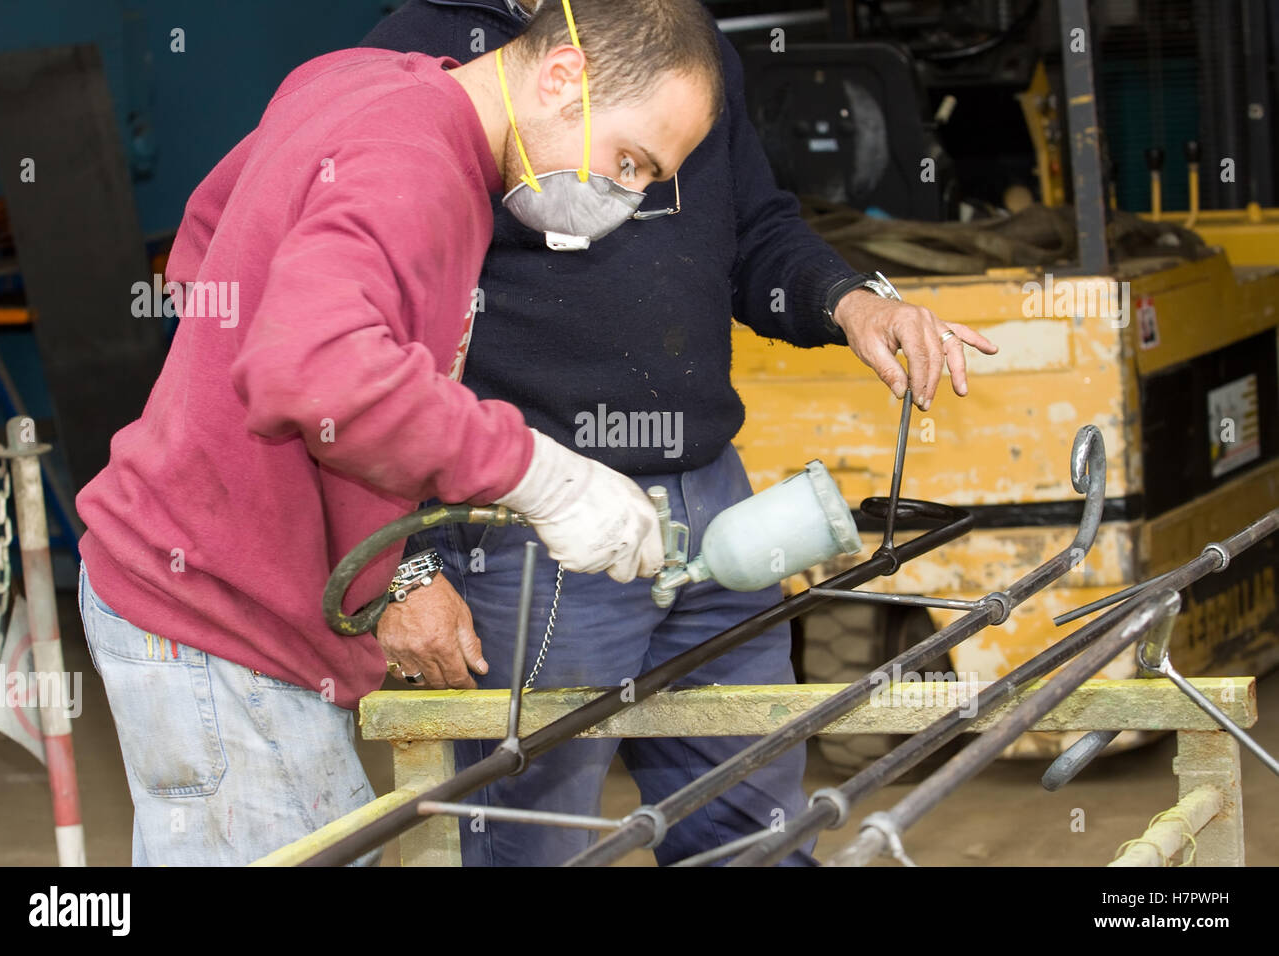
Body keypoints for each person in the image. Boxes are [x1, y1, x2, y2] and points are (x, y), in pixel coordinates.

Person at [74, 0, 724, 866]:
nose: (630, 196)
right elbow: (311, 367)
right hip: (222, 628)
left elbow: (208, 243)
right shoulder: (417, 165)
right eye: (630, 160)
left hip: (201, 602)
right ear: (565, 78)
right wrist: (539, 473)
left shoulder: (361, 79)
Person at [364, 0, 998, 867]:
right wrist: (403, 568)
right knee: (525, 847)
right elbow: (350, 356)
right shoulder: (423, 56)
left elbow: (755, 230)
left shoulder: (678, 39)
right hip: (530, 526)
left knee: (754, 829)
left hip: (712, 498)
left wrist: (848, 301)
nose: (634, 193)